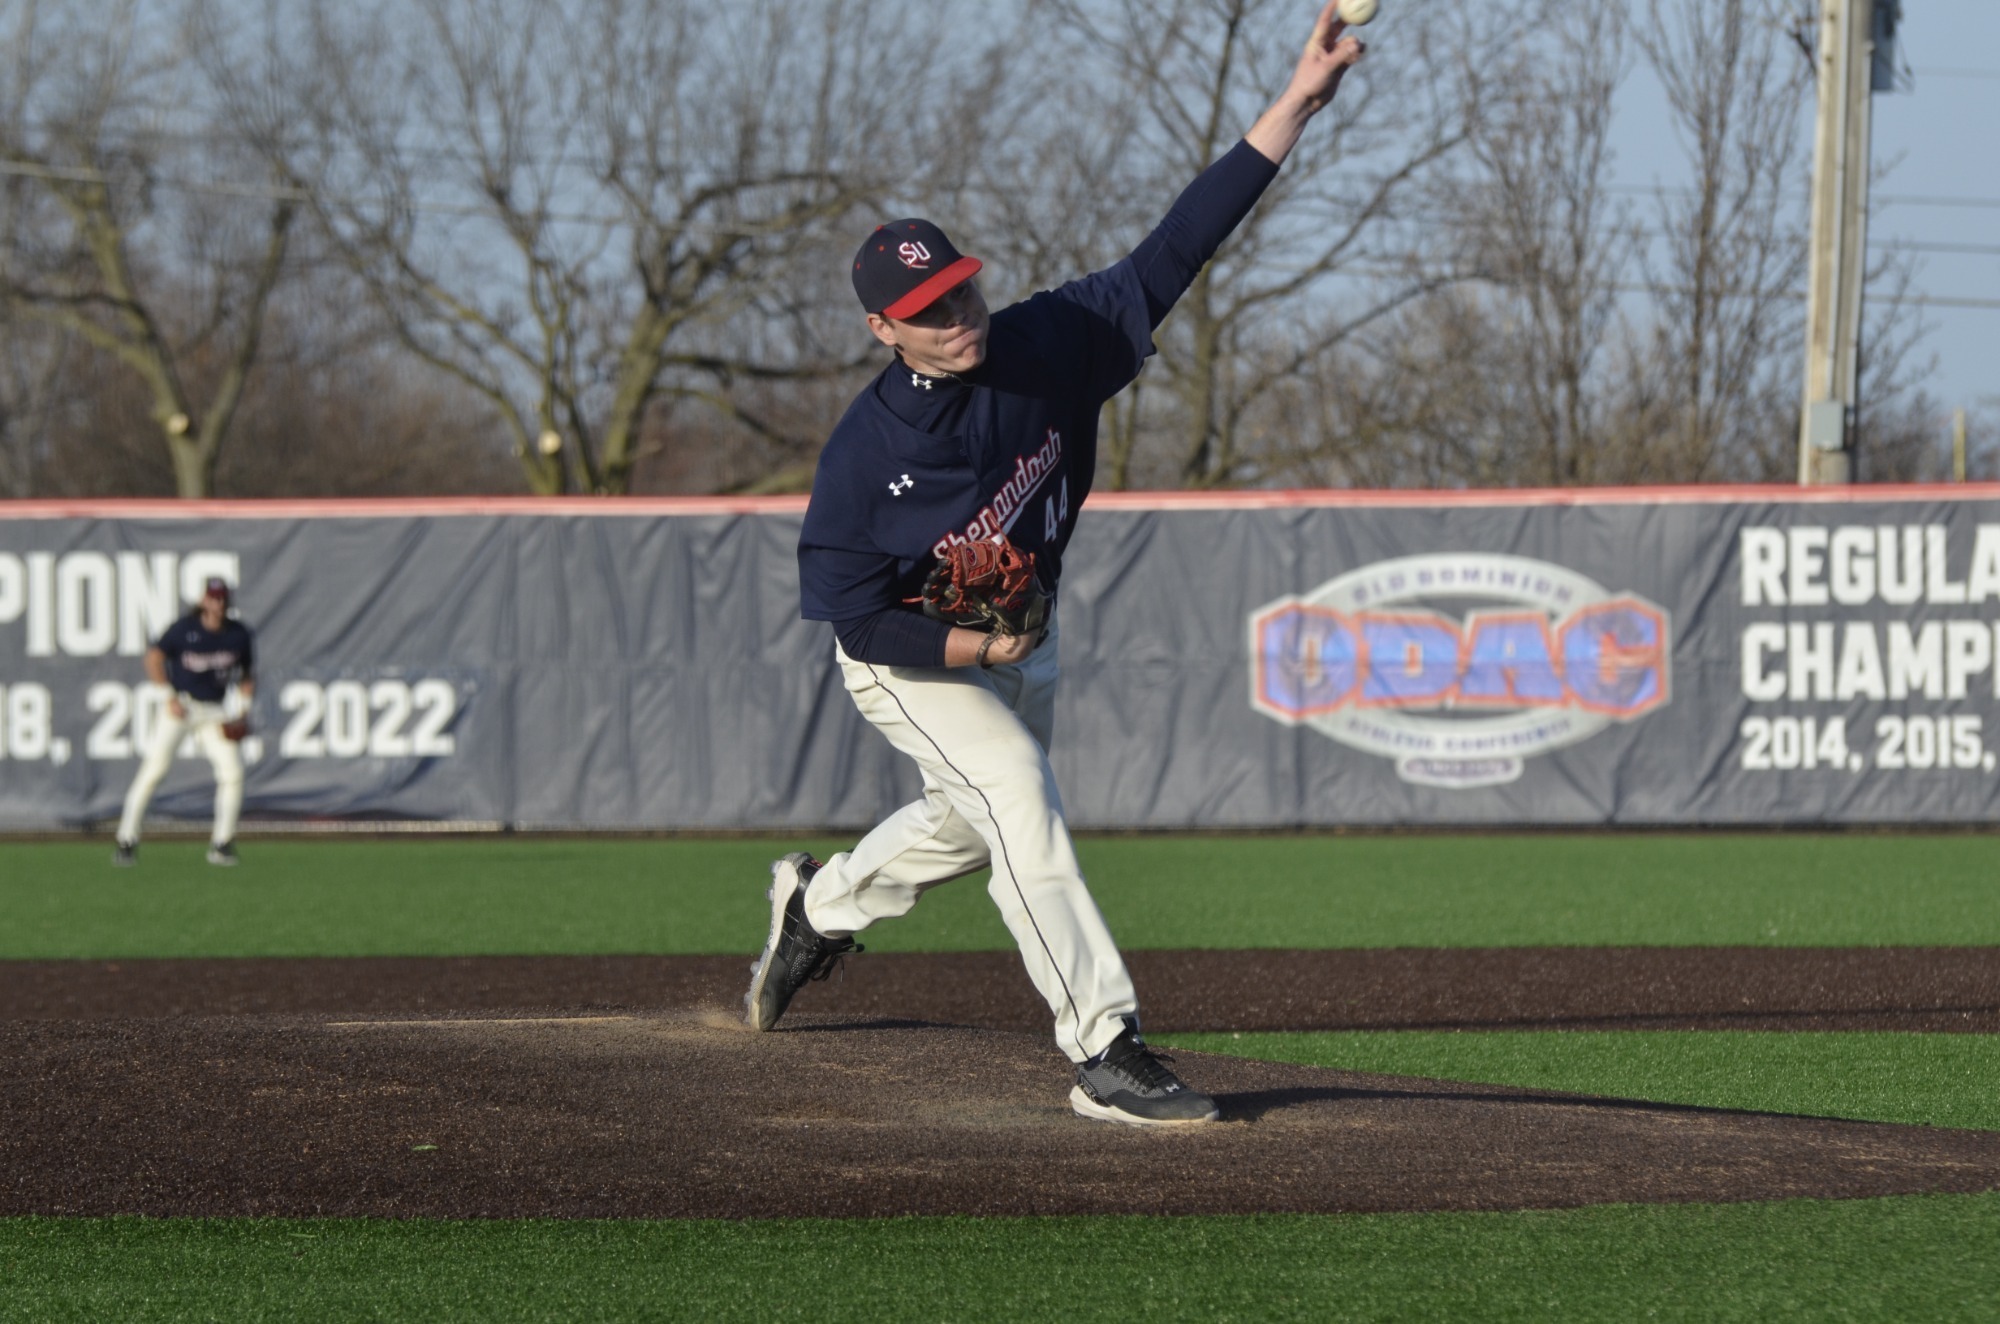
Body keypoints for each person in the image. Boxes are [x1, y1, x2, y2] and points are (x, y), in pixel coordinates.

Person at [748, 3, 1366, 1126]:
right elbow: (856, 619)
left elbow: (1178, 245)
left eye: (960, 288)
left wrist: (1294, 106)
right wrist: (973, 648)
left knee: (969, 818)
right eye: (926, 310)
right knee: (1016, 794)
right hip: (909, 658)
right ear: (884, 329)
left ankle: (819, 908)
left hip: (1024, 640)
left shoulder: (1044, 342)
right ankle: (1104, 1048)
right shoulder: (863, 460)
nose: (956, 315)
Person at [113, 577, 255, 867]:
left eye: (222, 598)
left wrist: (242, 708)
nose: (218, 603)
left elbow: (247, 675)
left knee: (232, 773)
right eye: (213, 597)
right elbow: (154, 658)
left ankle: (222, 844)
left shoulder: (237, 634)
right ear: (204, 600)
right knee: (153, 771)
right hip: (183, 707)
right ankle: (126, 840)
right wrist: (168, 696)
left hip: (215, 711)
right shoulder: (185, 629)